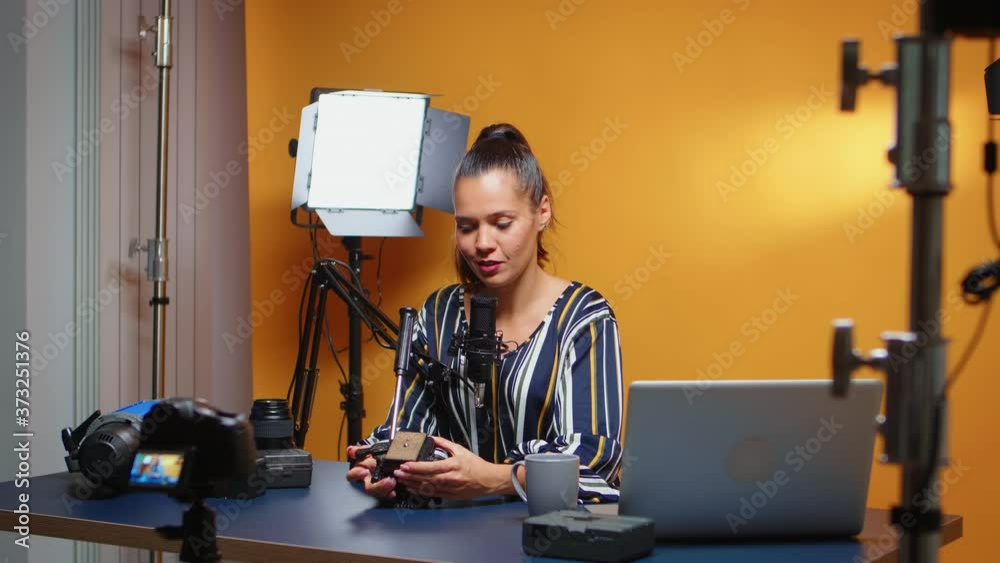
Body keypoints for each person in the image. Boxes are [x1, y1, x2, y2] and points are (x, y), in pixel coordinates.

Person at [346, 123, 624, 505]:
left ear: (542, 211)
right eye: (466, 227)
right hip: (448, 538)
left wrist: (493, 479)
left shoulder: (584, 318)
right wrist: (381, 463)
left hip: (550, 538)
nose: (482, 244)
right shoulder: (438, 313)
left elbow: (594, 462)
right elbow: (409, 429)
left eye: (502, 223)